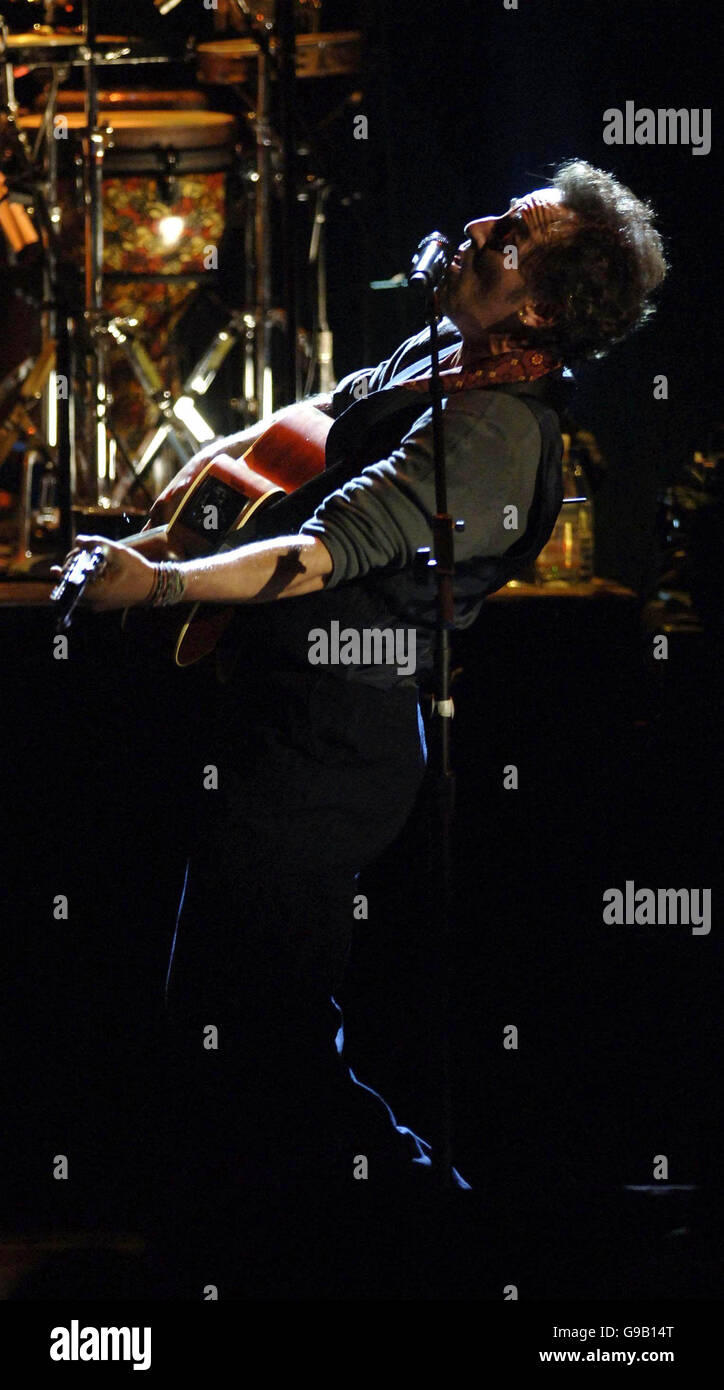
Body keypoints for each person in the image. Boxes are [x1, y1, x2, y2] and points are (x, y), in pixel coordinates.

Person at [55, 160, 667, 1227]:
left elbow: (316, 555)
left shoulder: (498, 432)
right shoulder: (446, 354)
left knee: (265, 1032)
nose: (479, 223)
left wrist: (154, 585)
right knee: (230, 1019)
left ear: (539, 306)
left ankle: (442, 1236)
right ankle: (279, 1241)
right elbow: (288, 451)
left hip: (336, 747)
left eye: (512, 233)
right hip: (282, 715)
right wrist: (155, 539)